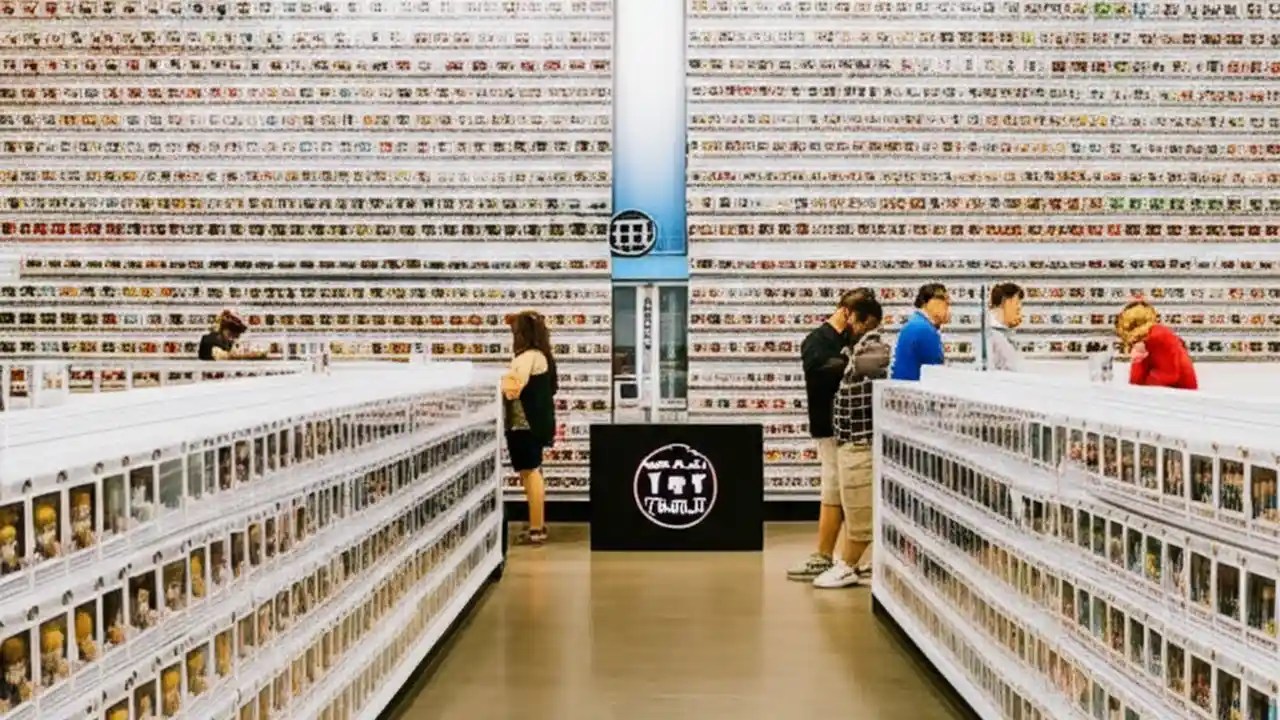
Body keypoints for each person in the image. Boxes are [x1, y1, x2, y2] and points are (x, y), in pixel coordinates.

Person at [788, 288, 873, 582]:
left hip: (847, 428)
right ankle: (825, 556)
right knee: (834, 489)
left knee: (844, 491)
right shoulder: (817, 341)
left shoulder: (847, 340)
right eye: (861, 322)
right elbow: (824, 370)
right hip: (829, 428)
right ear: (847, 313)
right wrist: (854, 363)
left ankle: (840, 556)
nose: (862, 330)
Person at [814, 295, 891, 589]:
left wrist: (844, 358)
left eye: (850, 318)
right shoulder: (860, 347)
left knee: (859, 504)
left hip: (860, 441)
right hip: (852, 440)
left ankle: (848, 565)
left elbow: (869, 366)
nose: (847, 324)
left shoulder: (873, 347)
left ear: (861, 318)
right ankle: (855, 562)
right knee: (853, 501)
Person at [502, 311, 559, 545]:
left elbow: (512, 389)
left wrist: (501, 384)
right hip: (535, 422)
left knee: (530, 472)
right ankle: (537, 524)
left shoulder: (526, 357)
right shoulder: (542, 356)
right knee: (531, 471)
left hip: (524, 424)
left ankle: (537, 527)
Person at [1115, 300, 1197, 390]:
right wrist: (1138, 360)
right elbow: (1136, 383)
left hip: (1177, 397)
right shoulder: (1146, 341)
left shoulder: (1159, 337)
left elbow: (1168, 375)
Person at [890, 283, 949, 381]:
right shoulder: (925, 330)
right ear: (931, 302)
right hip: (915, 387)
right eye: (946, 304)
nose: (947, 310)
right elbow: (936, 372)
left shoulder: (914, 323)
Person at [985, 282, 1025, 372]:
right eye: (1017, 303)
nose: (1019, 309)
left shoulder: (999, 335)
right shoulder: (993, 337)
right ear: (1004, 301)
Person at [198, 310, 264, 361]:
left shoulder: (228, 342)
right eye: (231, 334)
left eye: (236, 336)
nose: (232, 338)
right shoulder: (209, 340)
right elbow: (225, 355)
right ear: (223, 329)